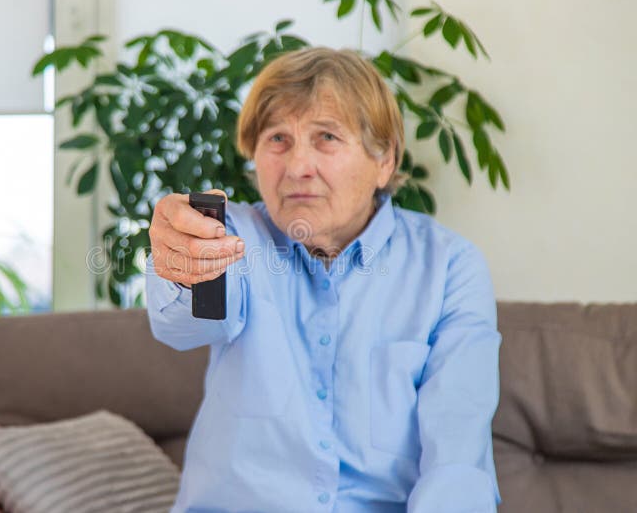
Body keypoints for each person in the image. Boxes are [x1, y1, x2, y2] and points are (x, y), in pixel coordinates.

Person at [145, 46, 502, 512]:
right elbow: (185, 323)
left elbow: (457, 460)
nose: (296, 167)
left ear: (385, 160)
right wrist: (181, 258)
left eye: (327, 137)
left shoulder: (451, 268)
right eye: (277, 140)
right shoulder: (234, 237)